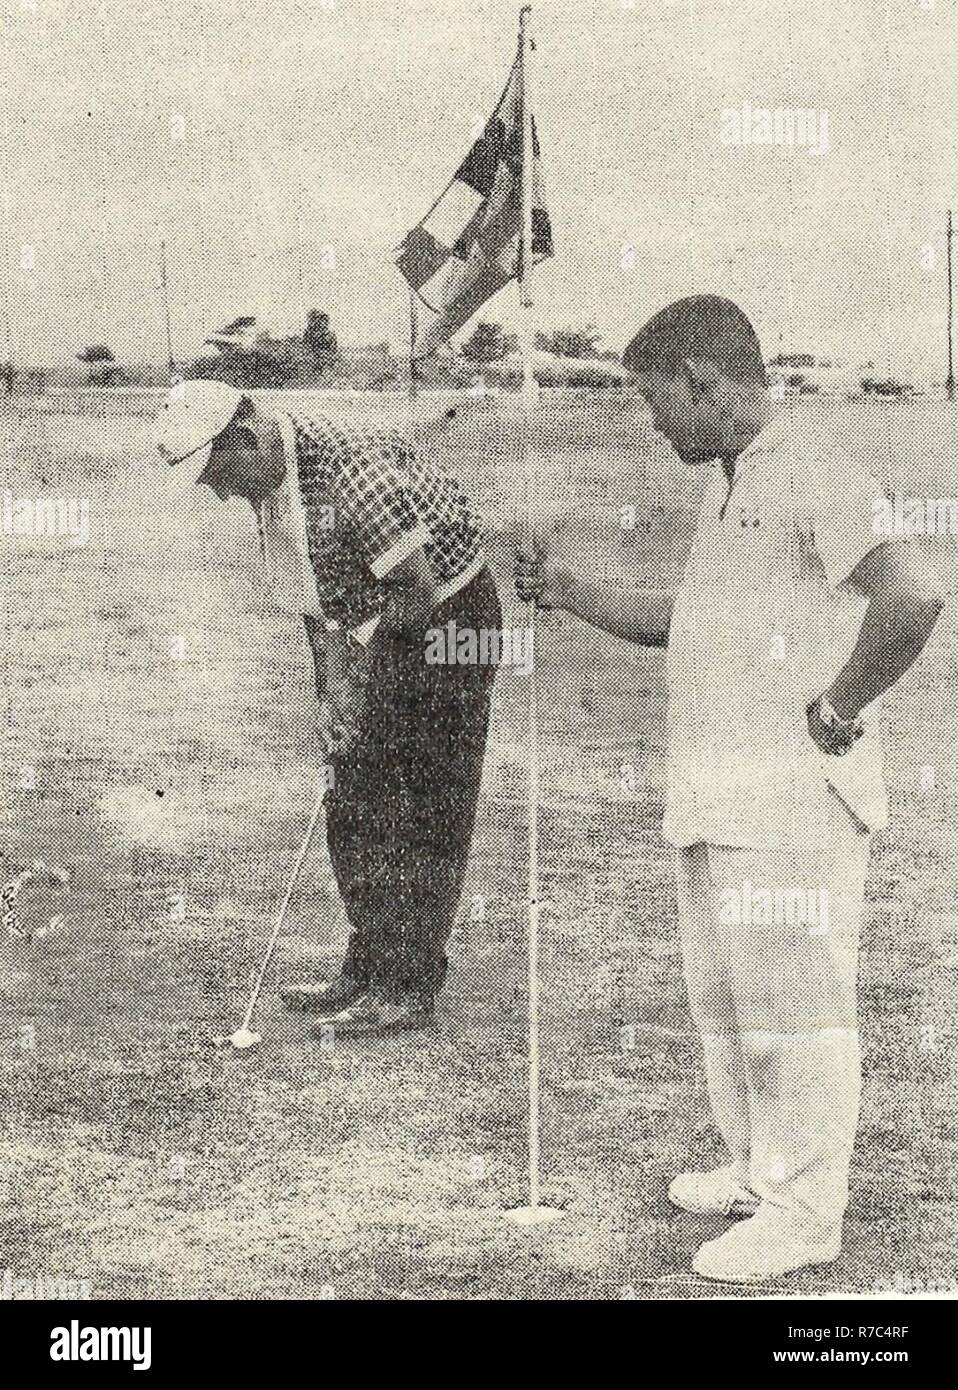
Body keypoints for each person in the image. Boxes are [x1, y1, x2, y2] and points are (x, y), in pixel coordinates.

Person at [516, 295, 945, 1282]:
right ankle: (756, 1169)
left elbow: (911, 595)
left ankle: (804, 1212)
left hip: (791, 801)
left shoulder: (815, 471)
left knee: (794, 1006)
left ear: (703, 382)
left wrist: (839, 706)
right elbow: (694, 621)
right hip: (716, 796)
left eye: (654, 399)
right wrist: (573, 591)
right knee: (725, 1001)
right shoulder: (727, 480)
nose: (652, 420)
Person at [156, 380, 501, 1038]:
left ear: (247, 438)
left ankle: (407, 987)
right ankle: (369, 965)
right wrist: (331, 698)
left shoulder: (351, 476)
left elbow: (416, 596)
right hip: (382, 618)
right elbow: (319, 606)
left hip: (452, 619)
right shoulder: (272, 482)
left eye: (221, 475)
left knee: (422, 802)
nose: (224, 495)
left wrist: (360, 679)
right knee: (351, 792)